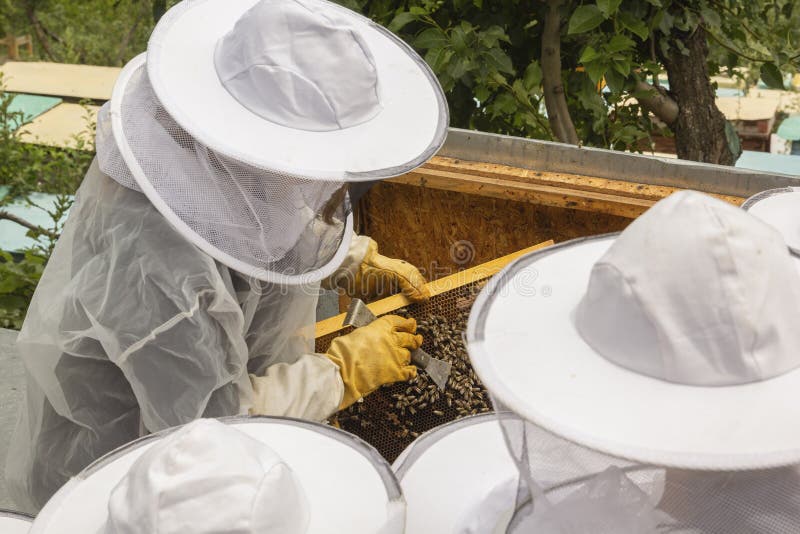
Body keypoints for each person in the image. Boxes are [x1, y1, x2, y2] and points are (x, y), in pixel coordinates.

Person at [7, 0, 448, 512]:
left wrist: (349, 261)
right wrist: (340, 372)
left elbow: (256, 212)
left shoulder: (214, 163)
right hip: (142, 488)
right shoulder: (159, 270)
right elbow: (208, 430)